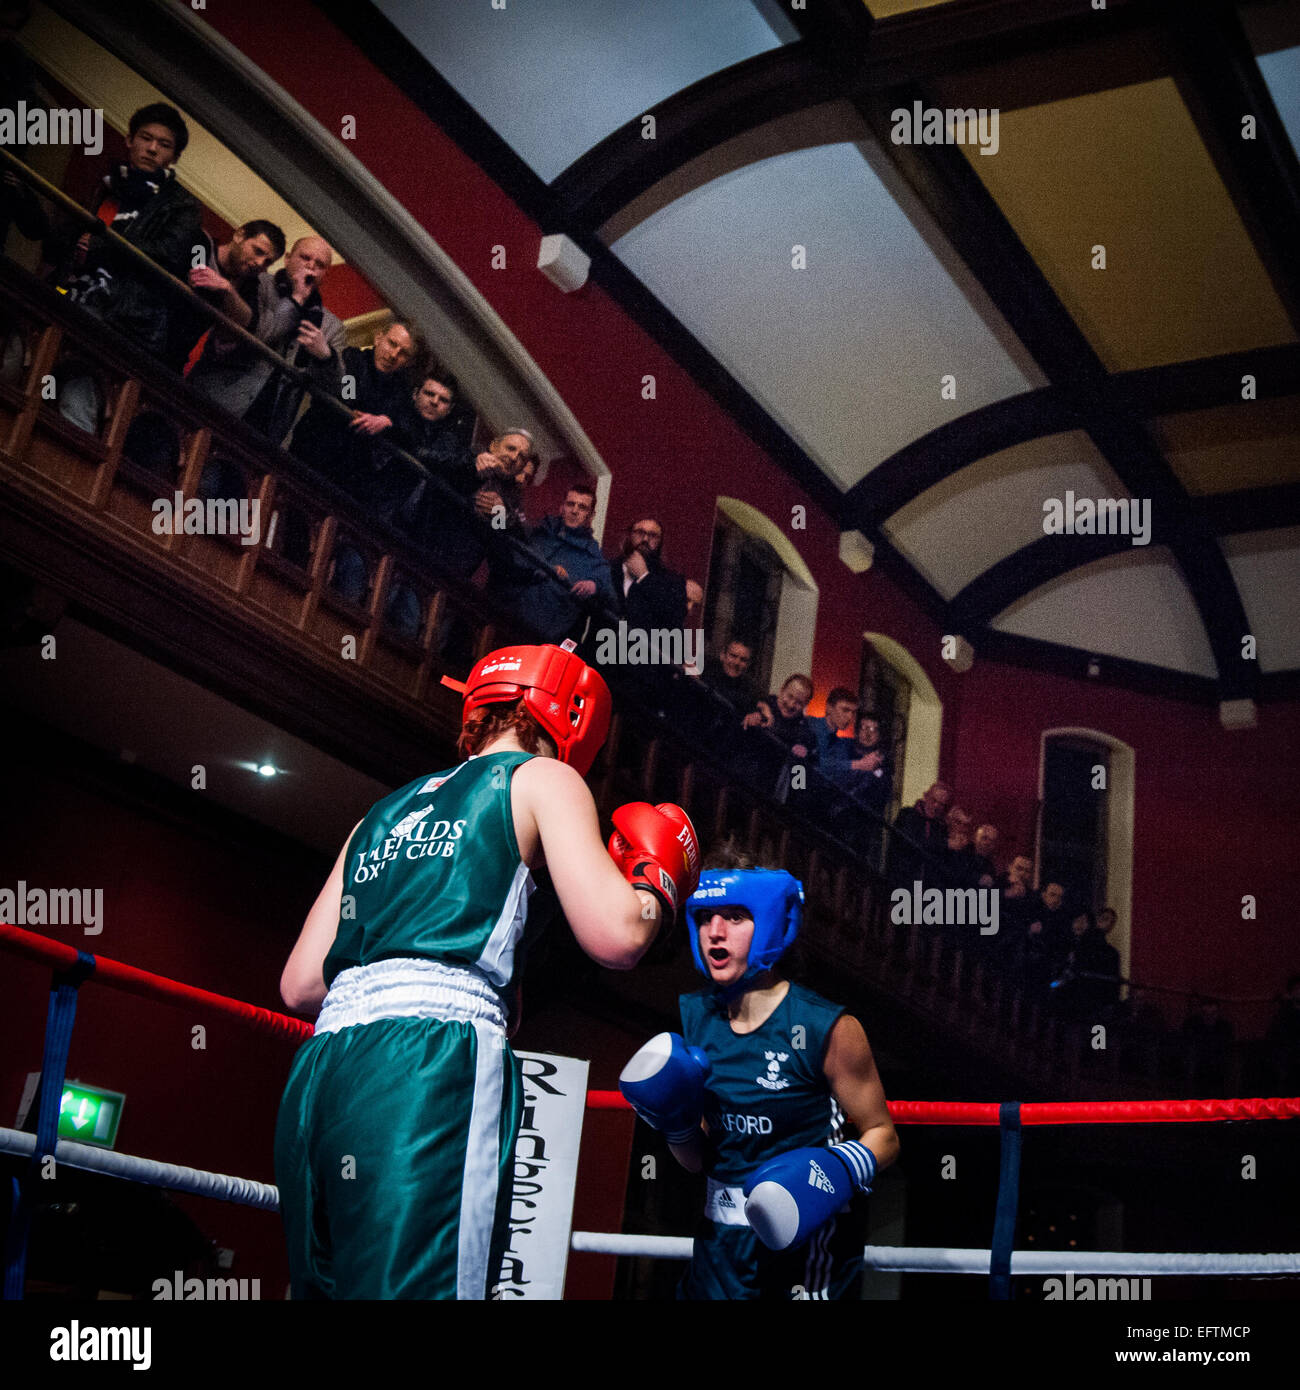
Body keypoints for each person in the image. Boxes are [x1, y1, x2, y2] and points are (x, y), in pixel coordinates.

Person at [274, 643, 701, 1299]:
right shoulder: (542, 779)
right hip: (430, 1068)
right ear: (576, 716)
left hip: (322, 1071)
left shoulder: (379, 815)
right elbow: (619, 936)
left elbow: (299, 985)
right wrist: (655, 886)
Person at [619, 846, 899, 1300]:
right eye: (706, 916)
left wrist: (830, 1171)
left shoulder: (824, 1026)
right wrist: (677, 1126)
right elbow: (699, 1160)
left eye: (733, 917)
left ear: (769, 921)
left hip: (805, 1245)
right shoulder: (697, 1018)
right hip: (718, 1242)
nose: (715, 932)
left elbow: (883, 1135)